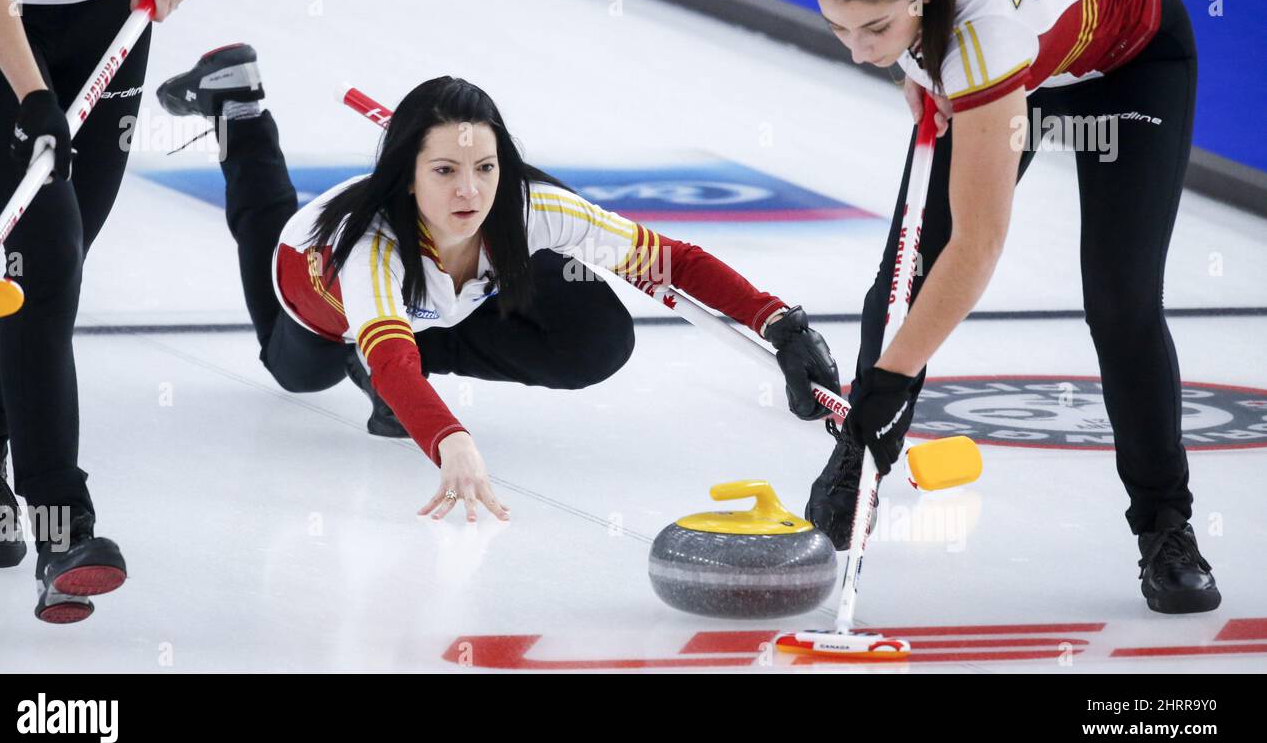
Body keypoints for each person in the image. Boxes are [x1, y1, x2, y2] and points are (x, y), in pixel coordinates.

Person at [157, 44, 842, 522]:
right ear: (408, 172)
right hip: (310, 280)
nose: (471, 190)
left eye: (485, 166)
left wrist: (778, 322)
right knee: (297, 371)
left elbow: (671, 261)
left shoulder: (523, 204)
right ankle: (240, 110)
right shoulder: (370, 252)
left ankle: (427, 342)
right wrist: (451, 438)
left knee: (594, 336)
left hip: (445, 304)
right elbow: (392, 361)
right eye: (446, 172)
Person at [802, 0, 1218, 614]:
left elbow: (980, 246)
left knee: (1121, 300)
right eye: (837, 28)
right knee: (907, 261)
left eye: (873, 31)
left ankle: (1166, 527)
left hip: (1129, 67)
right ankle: (857, 462)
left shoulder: (978, 34)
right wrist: (911, 68)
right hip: (1018, 55)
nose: (858, 53)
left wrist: (885, 386)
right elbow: (922, 253)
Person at [0, 0, 199, 623]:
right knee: (52, 254)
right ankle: (65, 532)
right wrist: (33, 98)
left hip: (110, 15)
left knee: (50, 272)